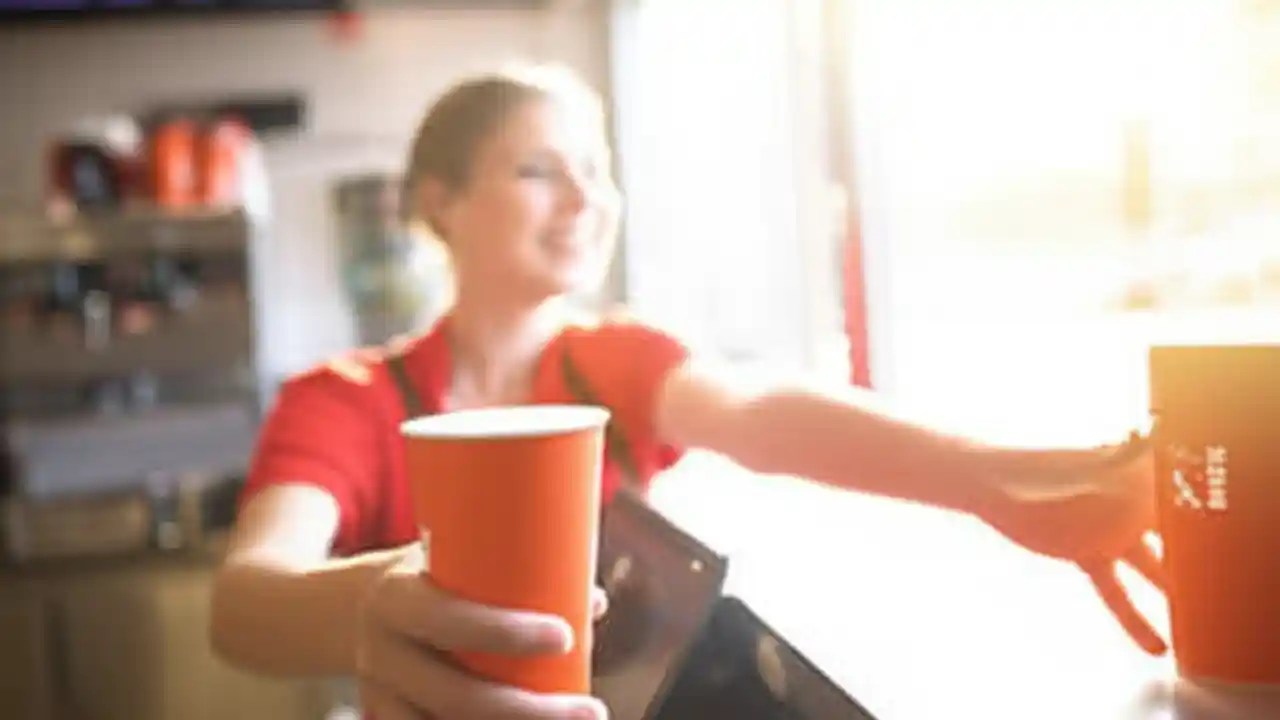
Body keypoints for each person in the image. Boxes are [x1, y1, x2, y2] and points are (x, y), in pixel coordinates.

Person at [210, 64, 1166, 720]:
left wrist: (992, 479)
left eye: (599, 171)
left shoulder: (610, 366)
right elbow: (248, 603)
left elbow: (759, 417)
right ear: (438, 202)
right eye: (539, 170)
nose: (585, 201)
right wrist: (375, 600)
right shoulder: (349, 400)